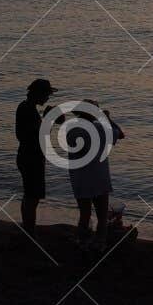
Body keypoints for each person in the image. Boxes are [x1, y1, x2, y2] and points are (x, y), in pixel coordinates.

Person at [66, 101, 124, 252]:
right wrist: (107, 118)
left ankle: (82, 241)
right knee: (102, 215)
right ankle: (100, 244)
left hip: (79, 178)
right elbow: (120, 134)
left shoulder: (71, 129)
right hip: (99, 177)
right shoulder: (100, 128)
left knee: (84, 214)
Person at [15, 78, 55, 235]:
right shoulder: (28, 109)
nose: (47, 98)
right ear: (38, 93)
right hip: (31, 158)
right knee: (33, 196)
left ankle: (27, 227)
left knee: (29, 194)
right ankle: (29, 230)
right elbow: (37, 135)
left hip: (27, 156)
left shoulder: (26, 107)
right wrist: (48, 119)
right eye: (46, 94)